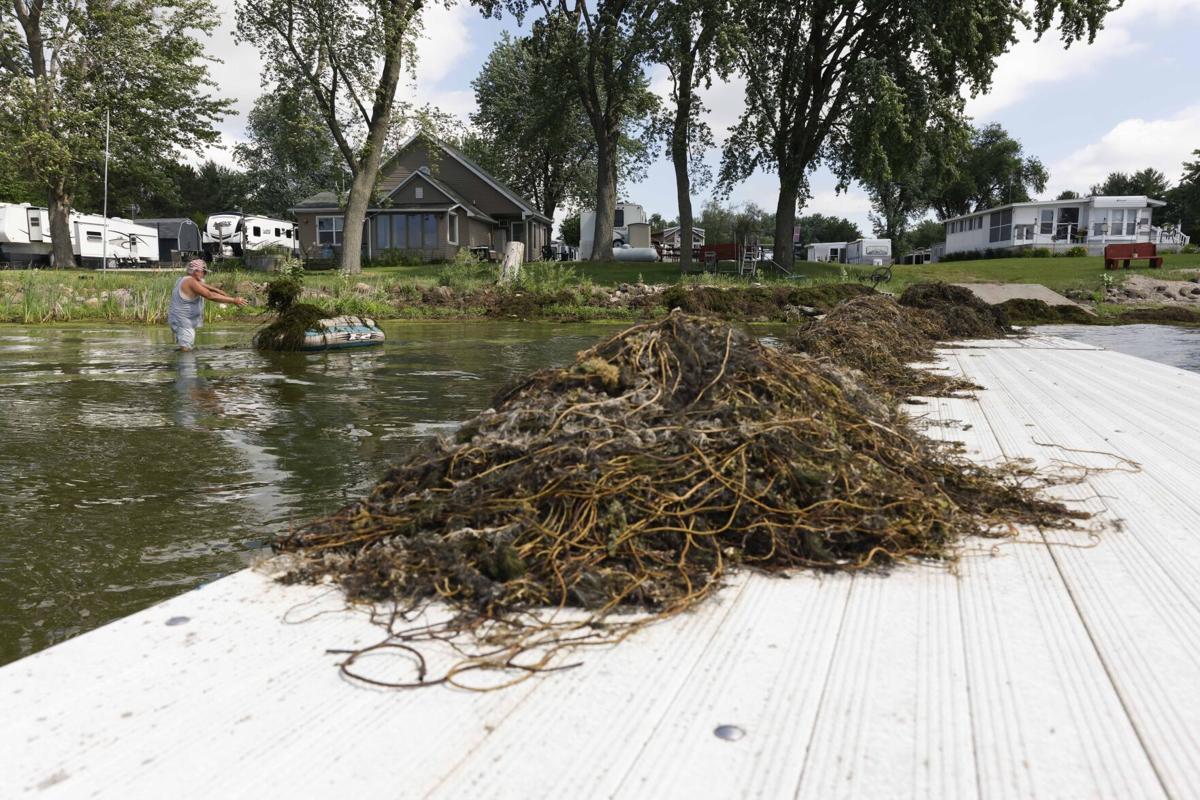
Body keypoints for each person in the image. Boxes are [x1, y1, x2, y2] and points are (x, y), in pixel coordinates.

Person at [168, 259, 248, 351]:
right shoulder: (190, 282)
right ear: (195, 271)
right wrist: (234, 300)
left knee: (185, 348)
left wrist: (218, 291)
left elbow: (204, 286)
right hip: (183, 323)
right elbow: (209, 295)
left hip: (179, 320)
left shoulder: (184, 279)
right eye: (204, 272)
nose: (204, 275)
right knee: (186, 352)